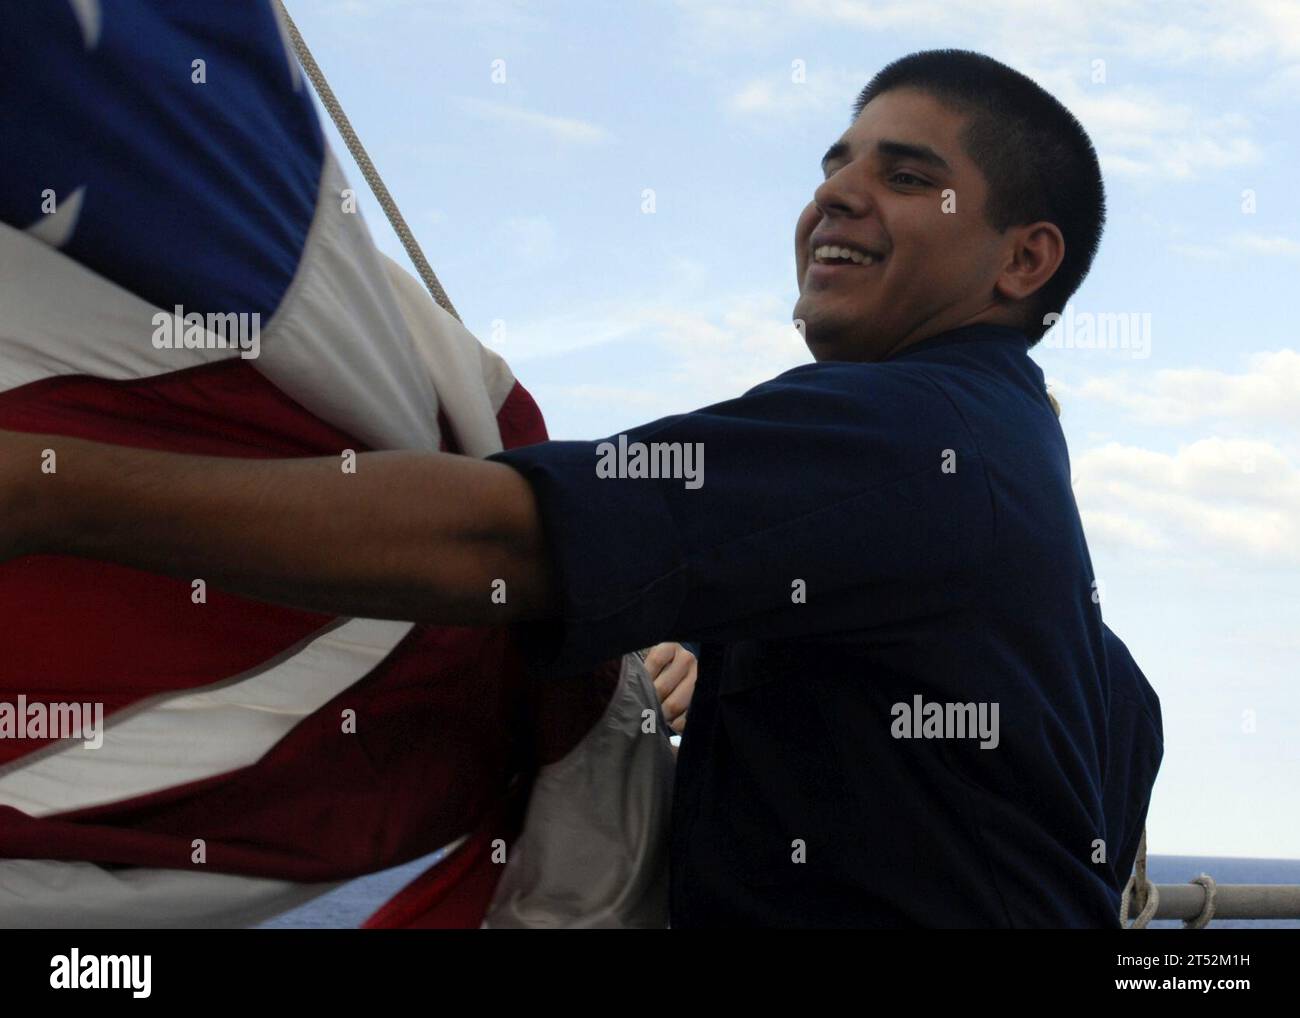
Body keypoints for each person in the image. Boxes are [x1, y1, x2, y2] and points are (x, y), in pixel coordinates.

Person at [0, 49, 1162, 927]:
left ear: (1023, 260)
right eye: (834, 165)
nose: (836, 196)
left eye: (906, 176)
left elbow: (504, 542)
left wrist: (54, 492)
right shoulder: (1034, 560)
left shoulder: (921, 431)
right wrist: (726, 667)